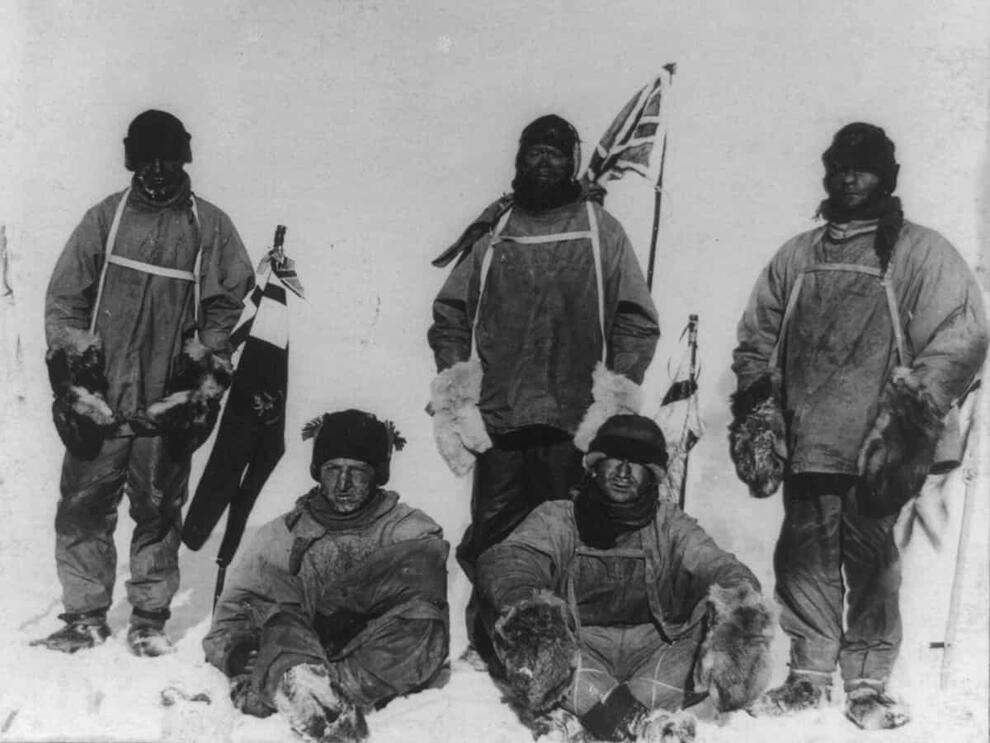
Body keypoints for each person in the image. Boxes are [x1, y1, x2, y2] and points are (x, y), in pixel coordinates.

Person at [730, 122, 988, 730]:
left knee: (872, 563)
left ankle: (867, 682)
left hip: (878, 447)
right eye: (840, 167)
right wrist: (761, 405)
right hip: (807, 438)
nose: (849, 179)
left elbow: (963, 333)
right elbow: (757, 338)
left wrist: (911, 408)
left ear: (886, 178)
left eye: (863, 168)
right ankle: (810, 673)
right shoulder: (798, 254)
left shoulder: (920, 251)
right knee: (803, 557)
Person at [427, 114, 660, 656]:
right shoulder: (496, 232)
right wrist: (457, 385)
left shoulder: (600, 229)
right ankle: (492, 641)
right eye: (535, 151)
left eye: (556, 153)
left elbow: (634, 317)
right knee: (494, 533)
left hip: (573, 420)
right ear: (519, 159)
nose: (544, 162)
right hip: (502, 416)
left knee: (570, 534)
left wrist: (617, 395)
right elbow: (451, 313)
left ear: (572, 162)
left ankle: (566, 644)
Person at [37, 109, 254, 656]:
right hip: (102, 402)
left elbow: (227, 302)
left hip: (163, 403)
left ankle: (149, 618)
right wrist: (74, 369)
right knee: (84, 507)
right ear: (133, 160)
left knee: (158, 509)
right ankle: (84, 615)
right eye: (147, 159)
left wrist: (203, 363)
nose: (157, 170)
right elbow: (65, 298)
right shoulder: (105, 219)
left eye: (168, 158)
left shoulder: (209, 226)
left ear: (183, 158)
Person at [476, 414, 772, 742]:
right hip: (578, 652)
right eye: (615, 459)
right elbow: (511, 559)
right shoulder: (558, 517)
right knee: (520, 622)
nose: (623, 471)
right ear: (595, 466)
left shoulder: (669, 523)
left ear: (652, 476)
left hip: (653, 657)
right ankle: (640, 726)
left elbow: (718, 564)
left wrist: (739, 603)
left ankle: (594, 717)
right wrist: (522, 600)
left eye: (638, 463)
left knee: (720, 617)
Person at [203, 409, 449, 743]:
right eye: (333, 469)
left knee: (423, 627)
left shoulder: (407, 530)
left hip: (371, 654)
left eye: (357, 471)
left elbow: (423, 607)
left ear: (377, 473)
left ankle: (301, 690)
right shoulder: (282, 535)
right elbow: (234, 613)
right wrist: (236, 651)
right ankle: (303, 686)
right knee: (281, 622)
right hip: (301, 646)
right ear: (318, 472)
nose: (343, 483)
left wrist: (349, 610)